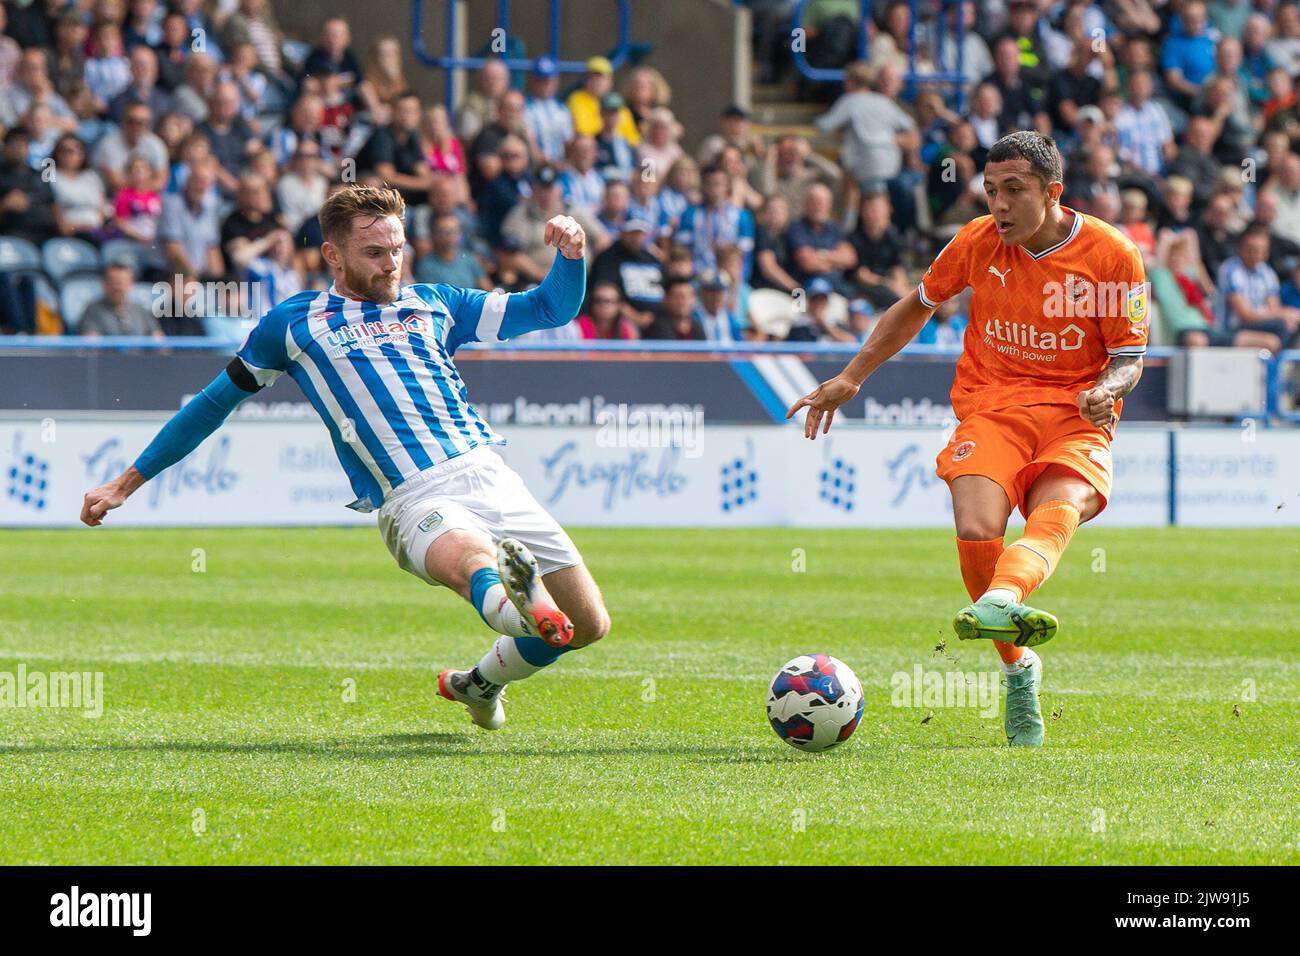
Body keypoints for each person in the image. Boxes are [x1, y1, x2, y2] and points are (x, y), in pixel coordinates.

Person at [80, 185, 609, 731]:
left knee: (589, 624)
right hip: (413, 496)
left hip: (489, 474)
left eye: (398, 249)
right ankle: (519, 605)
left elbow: (550, 307)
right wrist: (126, 482)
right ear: (333, 254)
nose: (391, 265)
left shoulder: (438, 303)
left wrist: (571, 255)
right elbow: (213, 404)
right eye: (374, 254)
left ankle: (479, 683)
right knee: (474, 563)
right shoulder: (294, 323)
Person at [787, 132, 1149, 747]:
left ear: (1053, 192)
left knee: (1054, 508)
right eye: (991, 190)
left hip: (1075, 414)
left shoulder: (1112, 255)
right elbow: (916, 304)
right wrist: (850, 377)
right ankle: (1019, 668)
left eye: (1015, 190)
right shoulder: (977, 242)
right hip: (994, 406)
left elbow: (1130, 355)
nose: (999, 205)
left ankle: (1005, 602)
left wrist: (1106, 387)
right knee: (978, 527)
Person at [78, 263, 163, 337]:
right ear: (104, 284)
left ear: (131, 284)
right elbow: (91, 346)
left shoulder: (142, 311)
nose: (117, 287)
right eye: (113, 282)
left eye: (122, 282)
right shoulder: (92, 311)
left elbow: (159, 343)